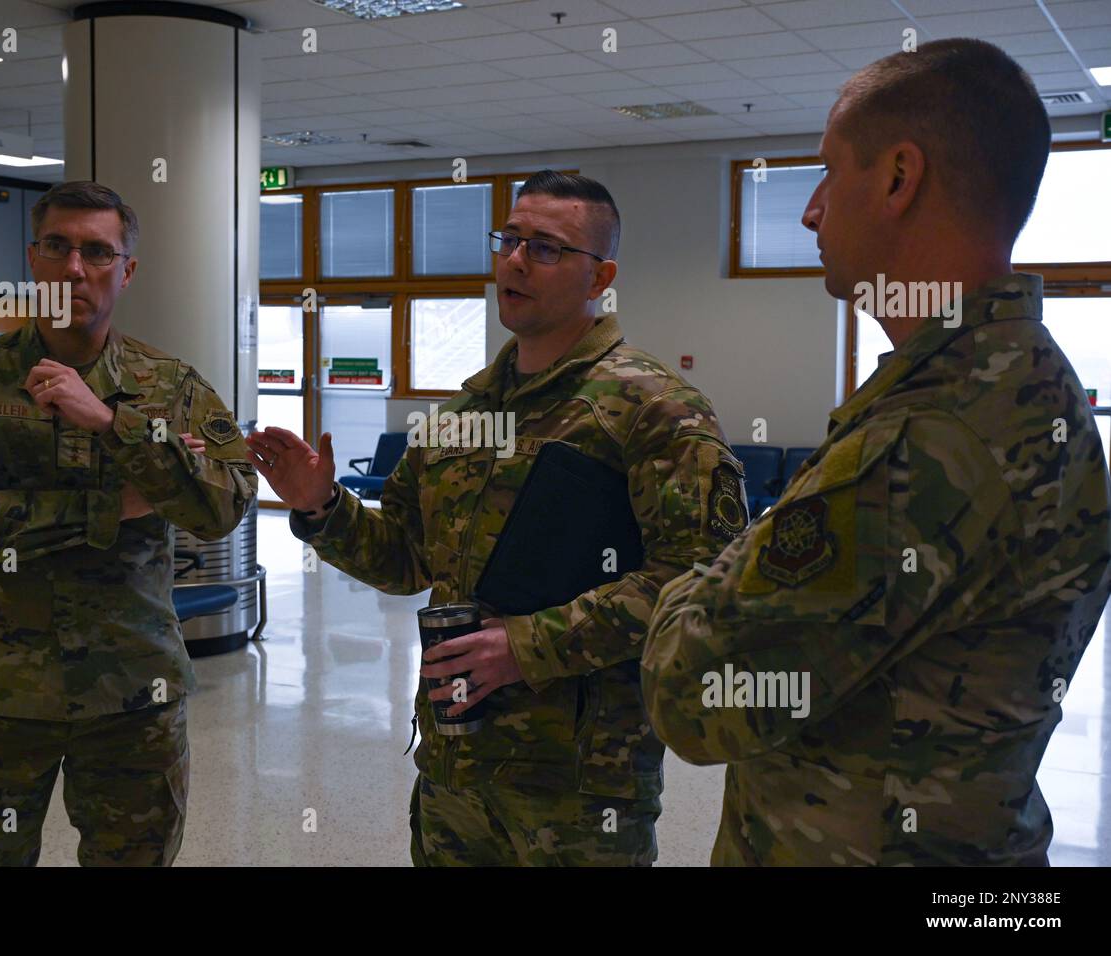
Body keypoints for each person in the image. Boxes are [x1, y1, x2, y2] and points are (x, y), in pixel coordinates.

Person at [642, 39, 1111, 866]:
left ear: (899, 177)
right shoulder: (1024, 379)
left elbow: (693, 698)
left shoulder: (924, 439)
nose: (810, 210)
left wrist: (697, 578)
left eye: (828, 171)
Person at [248, 170, 748, 866]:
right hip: (455, 768)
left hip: (578, 784)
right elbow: (405, 561)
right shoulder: (460, 418)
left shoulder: (653, 409)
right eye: (509, 239)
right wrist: (321, 507)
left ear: (600, 275)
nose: (515, 260)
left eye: (545, 248)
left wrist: (527, 645)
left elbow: (698, 583)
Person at [0, 181, 256, 866]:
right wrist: (121, 500)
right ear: (33, 259)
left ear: (125, 271)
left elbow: (224, 503)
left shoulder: (170, 385)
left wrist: (110, 421)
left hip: (133, 691)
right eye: (59, 247)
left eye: (98, 252)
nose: (75, 268)